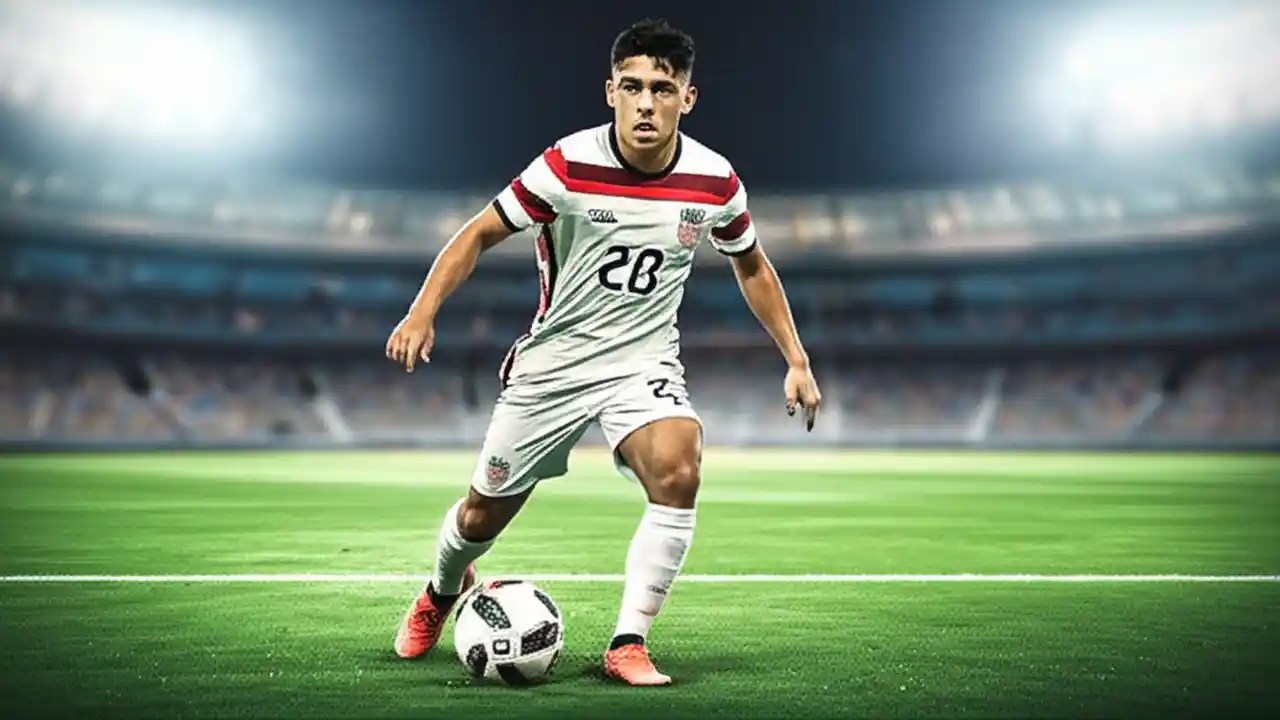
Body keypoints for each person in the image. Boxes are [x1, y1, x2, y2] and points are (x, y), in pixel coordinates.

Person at [385, 18, 821, 686]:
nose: (647, 103)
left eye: (662, 88)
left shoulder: (714, 182)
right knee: (480, 515)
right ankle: (441, 593)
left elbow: (753, 265)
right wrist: (423, 309)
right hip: (554, 365)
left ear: (688, 97)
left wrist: (796, 357)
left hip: (643, 363)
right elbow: (477, 233)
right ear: (610, 92)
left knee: (679, 468)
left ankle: (627, 643)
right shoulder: (566, 165)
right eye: (632, 87)